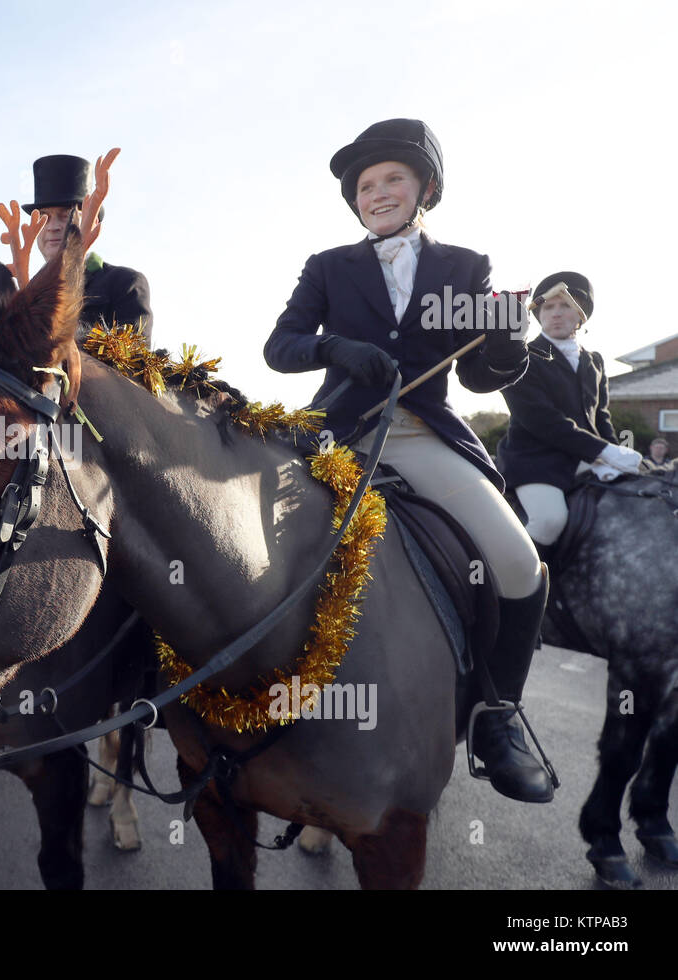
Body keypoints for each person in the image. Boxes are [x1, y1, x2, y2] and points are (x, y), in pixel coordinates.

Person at [264, 118, 554, 804]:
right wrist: (334, 350)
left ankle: (497, 719)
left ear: (426, 188)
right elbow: (280, 347)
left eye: (393, 178)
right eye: (366, 185)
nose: (378, 191)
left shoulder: (465, 267)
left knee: (518, 563)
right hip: (335, 434)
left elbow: (483, 374)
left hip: (422, 435)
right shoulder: (328, 266)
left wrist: (507, 347)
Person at [496, 273, 642, 556]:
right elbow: (541, 420)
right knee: (549, 521)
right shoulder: (523, 356)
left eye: (564, 306)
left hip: (583, 459)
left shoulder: (594, 361)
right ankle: (517, 590)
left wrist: (615, 451)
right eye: (548, 308)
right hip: (536, 462)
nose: (555, 314)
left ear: (581, 314)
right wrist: (603, 451)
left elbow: (600, 417)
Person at [19, 154, 154, 341]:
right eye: (44, 217)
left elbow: (133, 363)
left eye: (66, 215)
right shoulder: (21, 297)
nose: (53, 226)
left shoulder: (125, 283)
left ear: (93, 221)